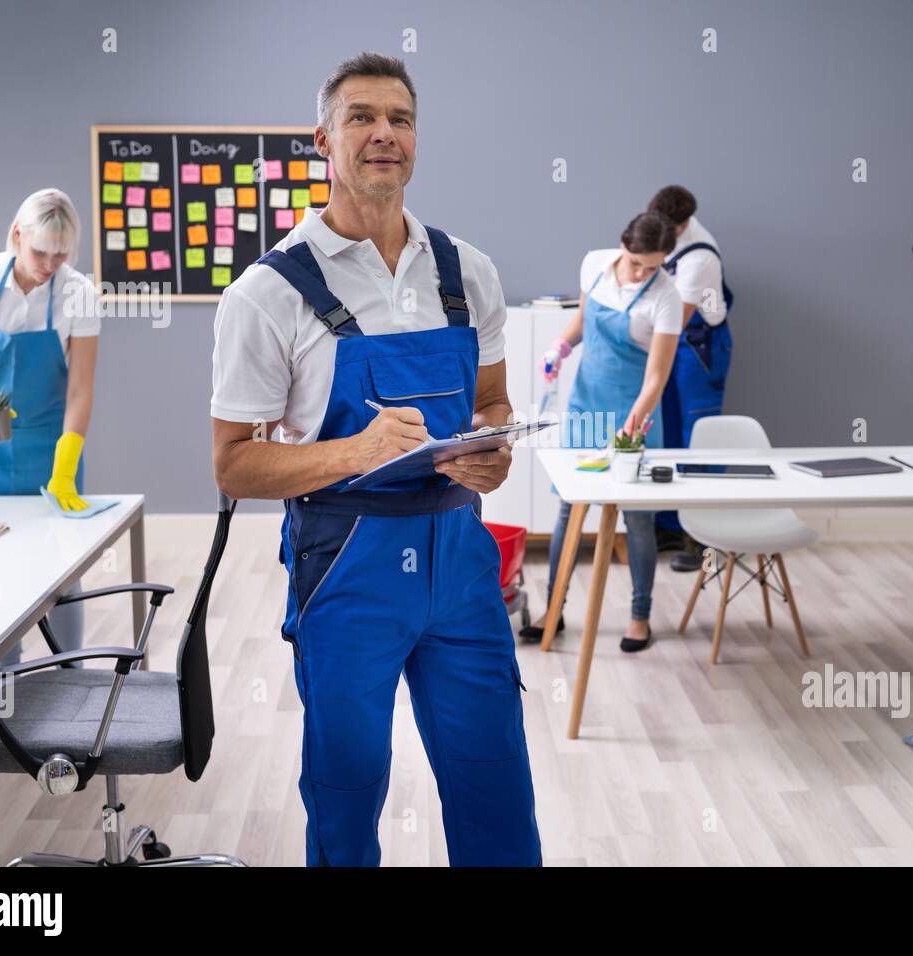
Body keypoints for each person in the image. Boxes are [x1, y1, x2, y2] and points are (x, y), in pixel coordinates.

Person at [210, 53, 540, 866]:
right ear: (323, 139)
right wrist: (352, 452)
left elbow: (492, 404)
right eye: (361, 117)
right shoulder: (268, 293)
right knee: (348, 790)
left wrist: (493, 451)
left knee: (495, 781)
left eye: (399, 119)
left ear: (417, 140)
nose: (383, 134)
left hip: (462, 562)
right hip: (345, 569)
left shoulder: (468, 271)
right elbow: (232, 465)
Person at [0, 188, 98, 666]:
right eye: (40, 251)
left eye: (61, 253)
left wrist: (66, 463)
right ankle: (3, 677)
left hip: (50, 445)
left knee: (64, 565)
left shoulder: (78, 293)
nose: (50, 263)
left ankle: (68, 670)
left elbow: (80, 389)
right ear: (17, 235)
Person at [517, 212, 682, 652]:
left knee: (638, 520)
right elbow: (584, 323)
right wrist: (560, 347)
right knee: (570, 511)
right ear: (622, 247)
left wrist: (633, 423)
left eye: (653, 266)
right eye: (635, 263)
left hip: (635, 416)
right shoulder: (594, 264)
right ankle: (554, 610)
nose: (643, 273)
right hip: (586, 406)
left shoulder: (666, 296)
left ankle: (639, 617)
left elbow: (657, 376)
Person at [646, 186, 734, 572]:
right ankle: (669, 524)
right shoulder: (662, 231)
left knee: (698, 437)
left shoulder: (699, 257)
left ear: (683, 225)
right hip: (669, 339)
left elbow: (674, 320)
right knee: (665, 432)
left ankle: (705, 538)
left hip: (698, 346)